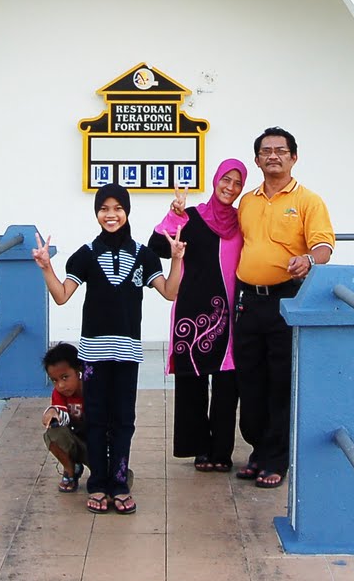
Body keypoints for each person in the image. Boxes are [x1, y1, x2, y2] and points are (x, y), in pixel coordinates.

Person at [32, 183, 185, 515]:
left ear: (126, 212)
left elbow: (170, 292)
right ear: (97, 213)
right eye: (104, 208)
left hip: (128, 354)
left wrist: (176, 260)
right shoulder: (84, 255)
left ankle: (119, 483)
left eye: (117, 208)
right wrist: (46, 267)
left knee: (124, 420)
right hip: (93, 356)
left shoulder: (144, 255)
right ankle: (98, 483)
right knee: (98, 418)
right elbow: (62, 296)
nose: (110, 214)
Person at [233, 127, 334, 489]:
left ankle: (276, 459)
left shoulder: (308, 201)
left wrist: (308, 259)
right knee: (250, 380)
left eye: (280, 150)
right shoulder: (248, 201)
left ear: (293, 157)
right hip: (248, 302)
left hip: (285, 301)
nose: (273, 156)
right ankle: (259, 450)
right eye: (266, 151)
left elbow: (323, 246)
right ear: (257, 159)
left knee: (280, 381)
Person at [149, 158, 247, 472]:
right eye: (226, 179)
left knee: (226, 384)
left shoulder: (241, 224)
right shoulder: (191, 217)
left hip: (230, 315)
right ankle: (199, 449)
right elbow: (157, 248)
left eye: (237, 182)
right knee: (192, 382)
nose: (230, 187)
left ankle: (221, 452)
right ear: (215, 179)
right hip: (193, 313)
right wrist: (172, 216)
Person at [41, 342, 88, 493]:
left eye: (65, 377)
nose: (60, 385)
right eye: (55, 380)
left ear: (79, 371)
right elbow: (62, 415)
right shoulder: (59, 394)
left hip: (99, 445)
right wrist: (52, 413)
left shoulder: (93, 389)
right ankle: (71, 469)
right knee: (52, 434)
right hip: (75, 441)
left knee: (121, 479)